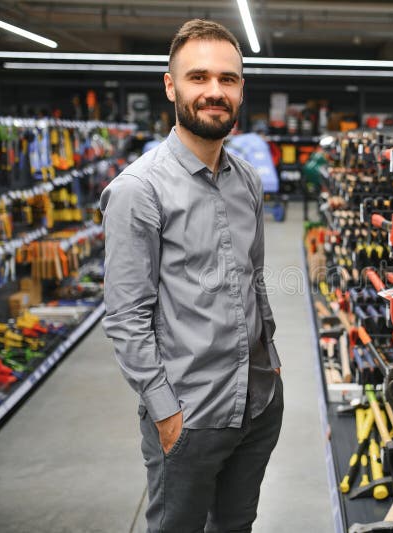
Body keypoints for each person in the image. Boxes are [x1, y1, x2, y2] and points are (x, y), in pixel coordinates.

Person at [100, 19, 283, 533]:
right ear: (171, 85)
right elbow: (125, 316)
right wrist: (165, 413)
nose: (213, 92)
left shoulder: (246, 177)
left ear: (241, 88)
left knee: (235, 526)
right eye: (198, 77)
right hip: (190, 416)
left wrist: (272, 360)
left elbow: (254, 278)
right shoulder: (138, 190)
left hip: (258, 403)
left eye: (227, 79)